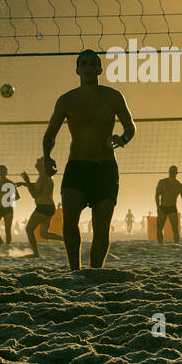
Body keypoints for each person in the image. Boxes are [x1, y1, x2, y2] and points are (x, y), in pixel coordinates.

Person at [42, 49, 136, 270]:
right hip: (77, 167)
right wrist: (47, 157)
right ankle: (75, 271)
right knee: (69, 221)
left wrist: (122, 138)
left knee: (101, 228)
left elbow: (130, 126)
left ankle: (95, 273)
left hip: (105, 168)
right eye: (83, 64)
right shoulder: (66, 100)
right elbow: (50, 133)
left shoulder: (113, 96)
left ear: (99, 69)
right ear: (77, 70)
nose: (87, 68)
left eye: (92, 64)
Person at [18, 159, 64, 257]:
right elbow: (36, 186)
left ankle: (36, 254)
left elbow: (34, 194)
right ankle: (65, 239)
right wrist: (24, 184)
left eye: (39, 160)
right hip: (49, 207)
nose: (37, 160)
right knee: (44, 234)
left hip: (43, 207)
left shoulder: (43, 177)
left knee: (29, 229)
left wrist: (27, 181)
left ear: (43, 164)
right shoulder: (44, 176)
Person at [154, 166, 182, 243]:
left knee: (175, 229)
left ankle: (176, 244)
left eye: (173, 172)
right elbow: (157, 195)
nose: (172, 173)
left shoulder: (178, 185)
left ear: (176, 173)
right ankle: (161, 245)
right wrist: (158, 207)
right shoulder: (162, 182)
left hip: (171, 208)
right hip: (163, 208)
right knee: (160, 228)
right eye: (171, 171)